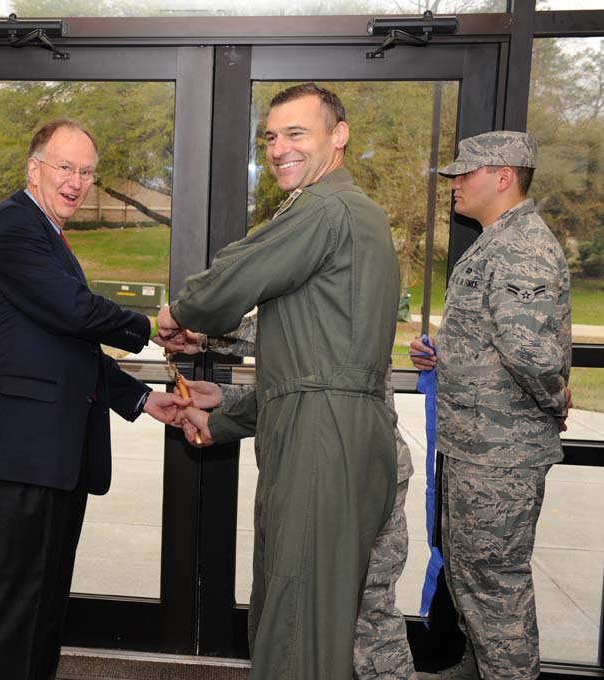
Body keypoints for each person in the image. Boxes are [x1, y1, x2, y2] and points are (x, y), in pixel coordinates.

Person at [157, 83, 401, 679]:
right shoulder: (342, 213)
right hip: (321, 428)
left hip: (324, 439)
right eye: (271, 137)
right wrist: (226, 413)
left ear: (338, 136)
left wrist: (177, 313)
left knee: (300, 627)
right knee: (293, 607)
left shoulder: (325, 208)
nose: (279, 148)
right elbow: (309, 366)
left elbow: (229, 280)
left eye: (297, 133)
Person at [0, 118, 189, 680]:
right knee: (11, 612)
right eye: (65, 167)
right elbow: (73, 312)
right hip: (15, 455)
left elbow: (64, 346)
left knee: (42, 608)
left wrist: (141, 400)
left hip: (50, 458)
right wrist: (154, 325)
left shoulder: (49, 237)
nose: (76, 181)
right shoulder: (10, 228)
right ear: (33, 169)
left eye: (86, 172)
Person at [165, 318, 416, 680]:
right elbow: (297, 389)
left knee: (365, 618)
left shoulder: (336, 284)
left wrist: (202, 333)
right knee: (310, 615)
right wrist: (224, 398)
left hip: (350, 476)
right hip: (333, 467)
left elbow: (295, 332)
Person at [411, 131, 571, 680]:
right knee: (470, 575)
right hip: (475, 447)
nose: (454, 184)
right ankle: (481, 666)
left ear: (503, 177)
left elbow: (530, 353)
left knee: (494, 585)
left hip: (500, 454)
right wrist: (444, 354)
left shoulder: (522, 246)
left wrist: (557, 399)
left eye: (465, 173)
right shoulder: (497, 239)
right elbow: (496, 339)